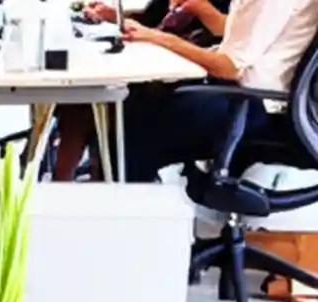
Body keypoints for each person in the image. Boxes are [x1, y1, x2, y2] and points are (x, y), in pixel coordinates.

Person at [120, 0, 318, 182]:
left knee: (132, 122)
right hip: (257, 102)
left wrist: (160, 38)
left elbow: (229, 67)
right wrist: (199, 9)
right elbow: (240, 32)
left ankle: (126, 210)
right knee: (138, 101)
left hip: (252, 108)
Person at [52, 0, 230, 181]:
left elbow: (228, 39)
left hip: (209, 85)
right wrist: (115, 17)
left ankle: (109, 188)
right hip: (170, 72)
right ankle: (62, 186)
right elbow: (151, 22)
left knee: (125, 115)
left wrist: (199, 9)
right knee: (83, 97)